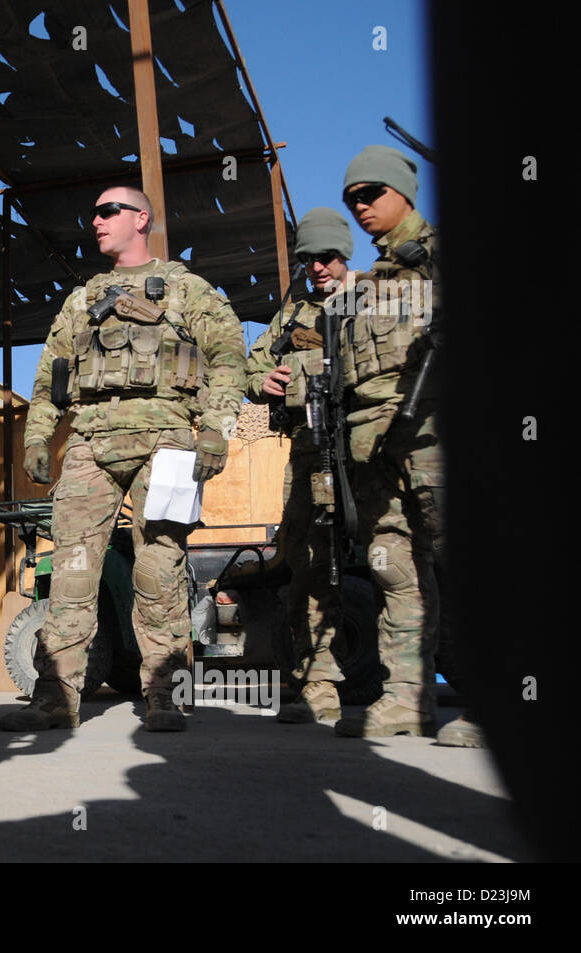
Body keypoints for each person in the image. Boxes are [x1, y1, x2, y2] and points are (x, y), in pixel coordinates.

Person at [0, 186, 245, 732]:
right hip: (90, 439)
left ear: (141, 218)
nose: (97, 220)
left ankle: (165, 695)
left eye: (109, 211)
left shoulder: (187, 289)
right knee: (71, 570)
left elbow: (230, 358)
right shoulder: (81, 301)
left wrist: (216, 429)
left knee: (159, 568)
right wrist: (37, 437)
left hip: (167, 440)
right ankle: (56, 696)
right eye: (93, 212)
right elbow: (50, 376)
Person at [333, 146, 456, 740]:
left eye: (370, 193)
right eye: (351, 198)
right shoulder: (367, 285)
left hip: (431, 434)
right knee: (393, 571)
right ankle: (408, 699)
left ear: (404, 191)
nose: (360, 205)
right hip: (373, 447)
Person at [244, 208, 356, 724]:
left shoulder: (375, 301)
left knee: (395, 557)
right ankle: (317, 682)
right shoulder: (291, 317)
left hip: (370, 448)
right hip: (310, 451)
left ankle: (407, 686)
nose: (317, 268)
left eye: (326, 257)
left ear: (345, 254)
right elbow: (251, 367)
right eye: (309, 259)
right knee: (307, 561)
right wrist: (261, 381)